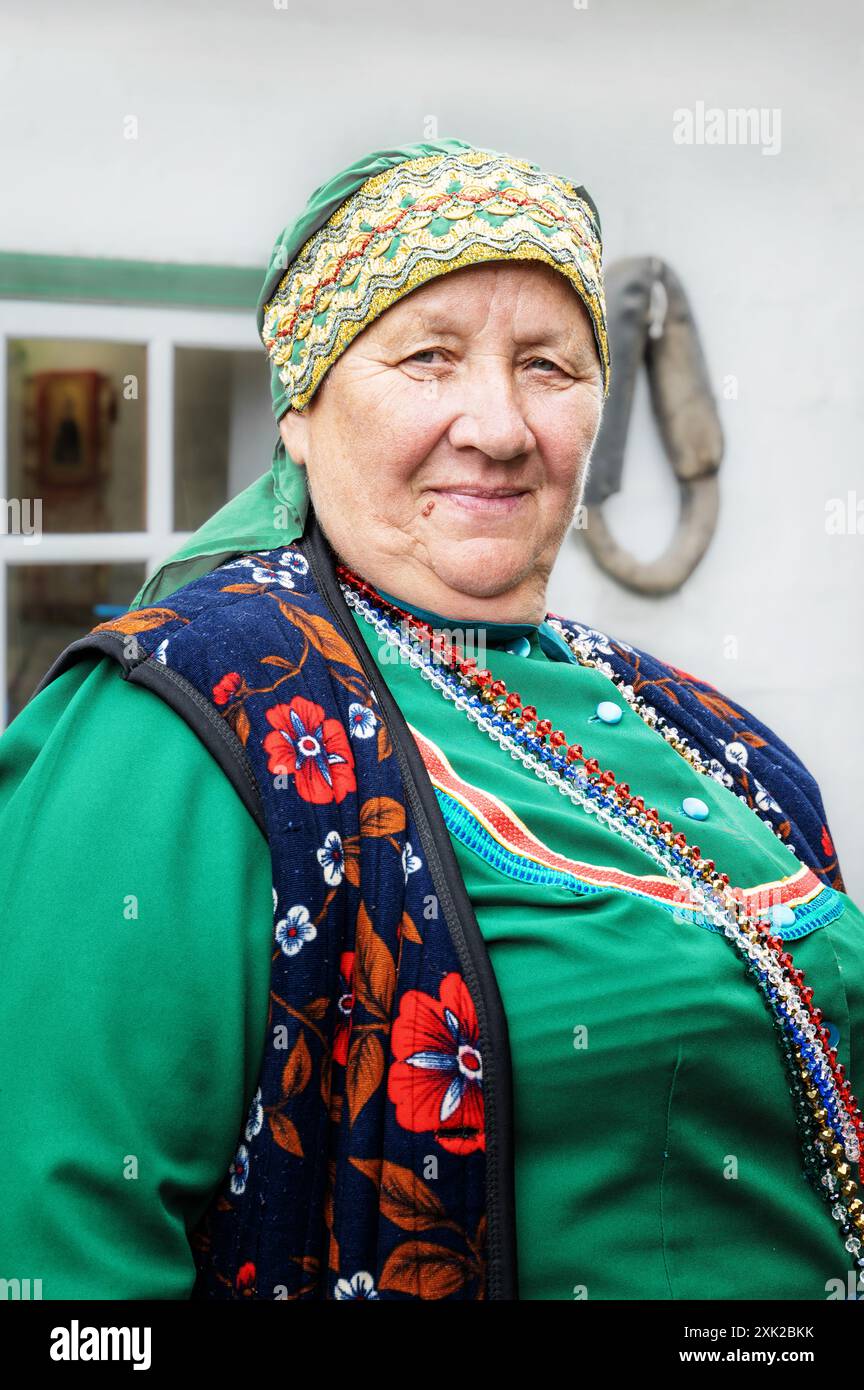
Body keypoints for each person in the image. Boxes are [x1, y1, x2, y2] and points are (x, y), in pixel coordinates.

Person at [1, 137, 863, 1303]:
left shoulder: (714, 740)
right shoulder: (188, 710)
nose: (499, 426)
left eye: (550, 367)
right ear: (301, 411)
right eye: (429, 358)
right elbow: (62, 1260)